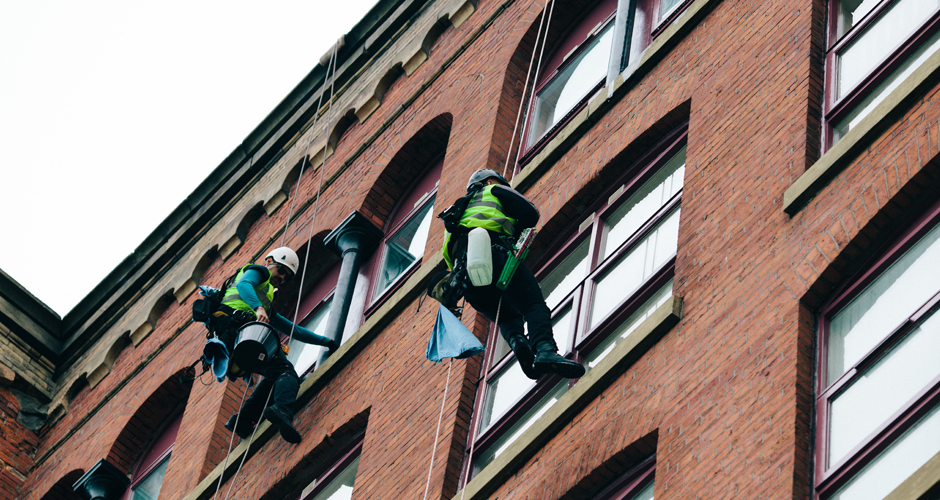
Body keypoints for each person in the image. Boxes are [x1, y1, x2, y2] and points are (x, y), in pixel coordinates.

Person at [439, 169, 585, 380]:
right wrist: (515, 238)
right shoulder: (492, 190)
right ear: (489, 181)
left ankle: (518, 342)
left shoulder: (454, 214)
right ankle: (545, 350)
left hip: (465, 279)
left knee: (507, 316)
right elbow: (530, 212)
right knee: (532, 303)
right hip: (494, 254)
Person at [221, 247, 336, 444]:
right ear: (269, 261)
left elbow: (293, 330)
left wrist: (326, 341)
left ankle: (243, 420)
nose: (282, 277)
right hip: (239, 328)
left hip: (236, 335)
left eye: (287, 277)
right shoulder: (260, 272)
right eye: (281, 270)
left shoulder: (265, 299)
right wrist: (257, 308)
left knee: (273, 375)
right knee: (286, 372)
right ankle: (282, 410)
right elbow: (244, 285)